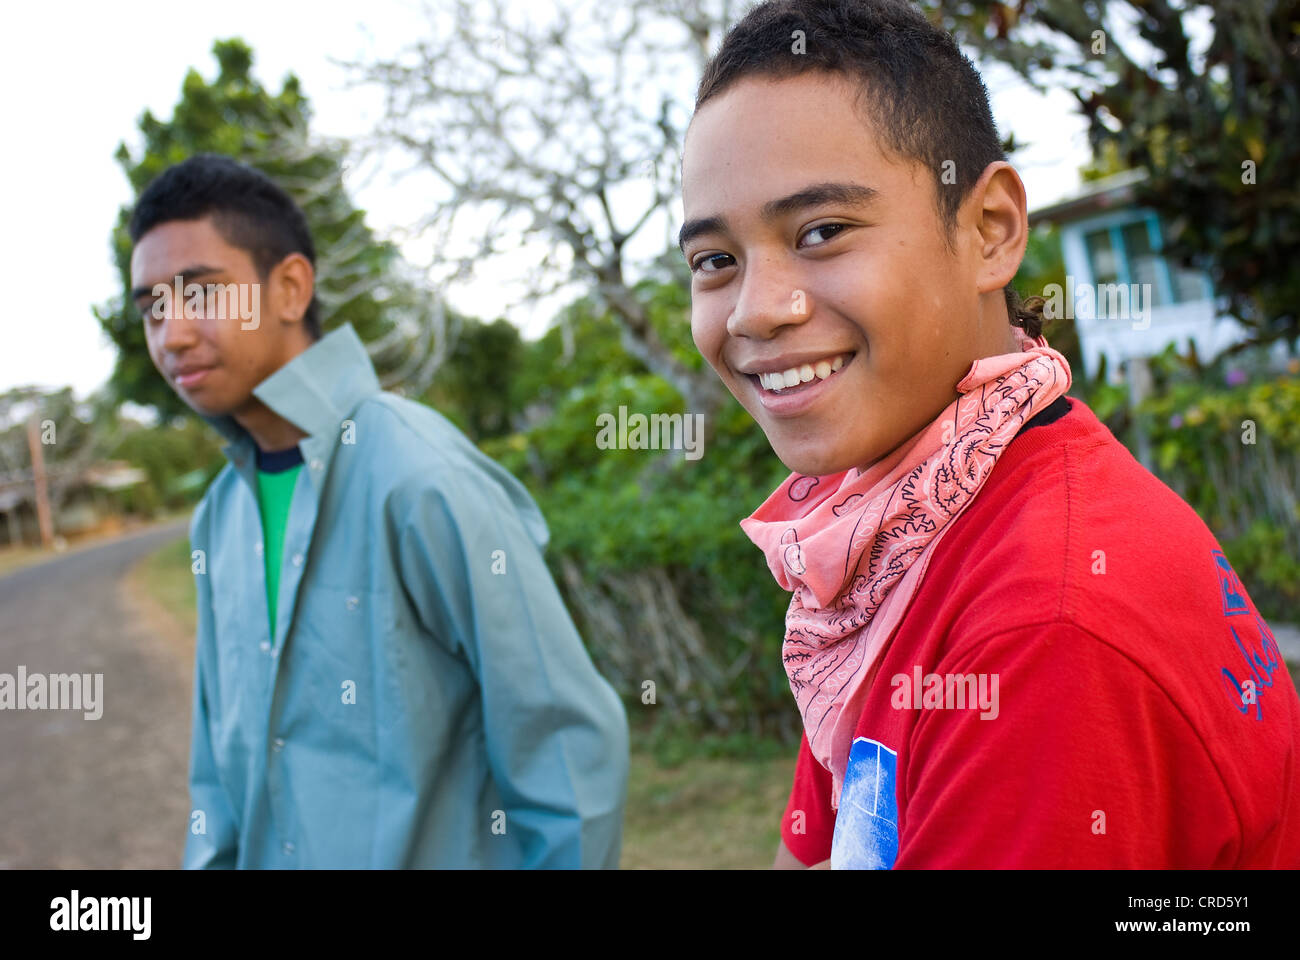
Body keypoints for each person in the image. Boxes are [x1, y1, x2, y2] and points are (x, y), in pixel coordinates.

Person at [678, 0, 1300, 868]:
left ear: (990, 231)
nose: (755, 310)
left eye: (822, 232)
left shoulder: (1042, 631)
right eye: (716, 261)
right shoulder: (892, 538)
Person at [129, 153, 628, 868]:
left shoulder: (419, 475)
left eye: (201, 295)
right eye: (152, 307)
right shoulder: (219, 519)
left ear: (291, 287)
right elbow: (218, 781)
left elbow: (566, 753)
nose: (171, 335)